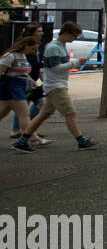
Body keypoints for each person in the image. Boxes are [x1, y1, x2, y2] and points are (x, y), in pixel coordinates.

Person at [14, 22, 99, 152]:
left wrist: (73, 63)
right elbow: (55, 68)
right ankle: (81, 141)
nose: (75, 38)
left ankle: (22, 141)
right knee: (70, 113)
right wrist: (75, 62)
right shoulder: (54, 47)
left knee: (44, 114)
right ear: (66, 33)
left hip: (53, 84)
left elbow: (55, 67)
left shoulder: (58, 46)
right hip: (56, 86)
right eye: (74, 35)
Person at [9, 24, 46, 143]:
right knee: (25, 106)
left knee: (35, 104)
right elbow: (27, 65)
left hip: (35, 79)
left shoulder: (35, 46)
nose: (42, 33)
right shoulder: (25, 47)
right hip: (28, 80)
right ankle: (24, 129)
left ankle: (28, 128)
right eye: (39, 31)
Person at [2, 36, 41, 151]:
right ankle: (30, 139)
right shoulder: (10, 56)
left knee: (4, 112)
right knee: (24, 114)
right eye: (32, 48)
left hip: (18, 87)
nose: (33, 51)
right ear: (25, 45)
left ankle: (31, 139)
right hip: (12, 88)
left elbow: (24, 73)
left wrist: (32, 82)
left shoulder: (22, 56)